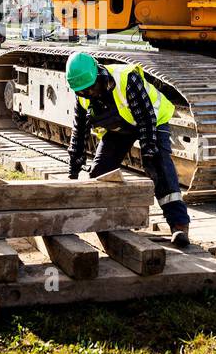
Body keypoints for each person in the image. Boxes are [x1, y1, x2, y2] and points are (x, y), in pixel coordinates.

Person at [64, 51, 191, 246]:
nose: (89, 94)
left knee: (158, 165)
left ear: (100, 76)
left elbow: (146, 118)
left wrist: (149, 149)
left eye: (91, 88)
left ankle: (179, 225)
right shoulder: (83, 96)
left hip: (152, 120)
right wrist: (73, 170)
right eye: (83, 92)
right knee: (100, 172)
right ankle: (104, 218)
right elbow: (79, 133)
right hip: (120, 128)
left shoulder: (126, 79)